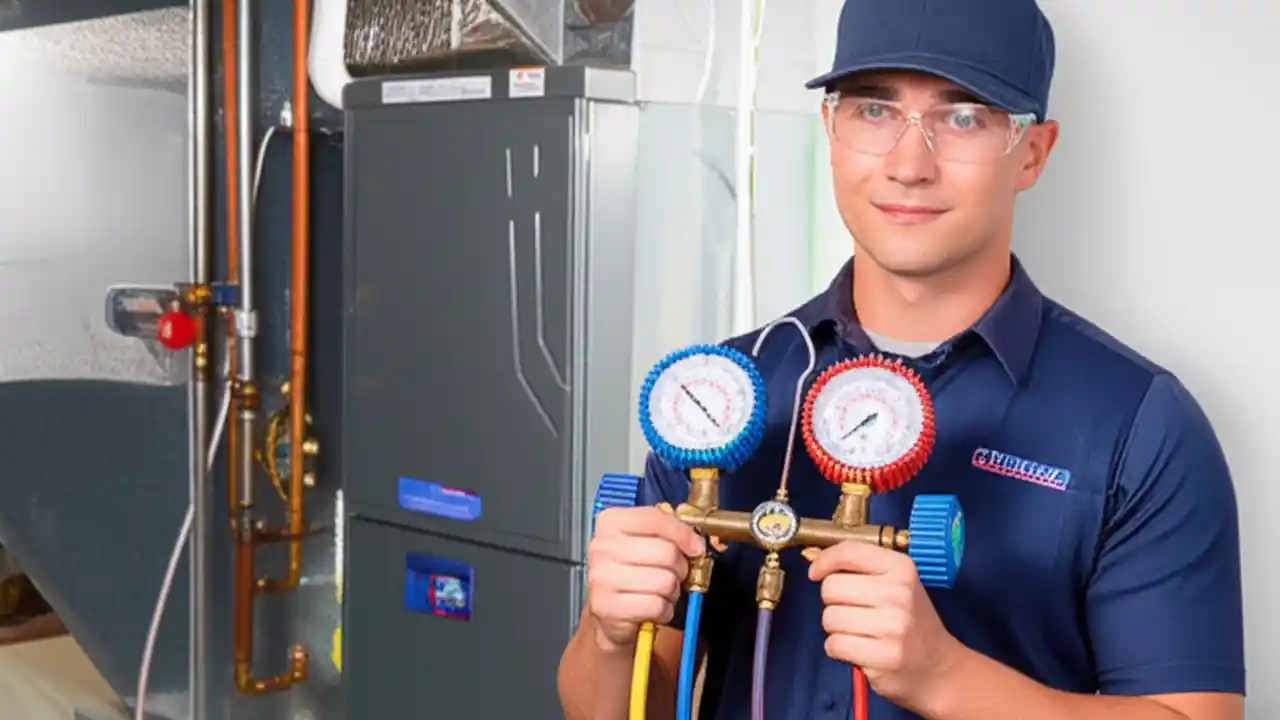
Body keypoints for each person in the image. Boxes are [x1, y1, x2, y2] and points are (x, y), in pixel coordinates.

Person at [557, 0, 1247, 718]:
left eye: (963, 117)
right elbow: (610, 708)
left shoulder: (1138, 424)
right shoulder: (721, 397)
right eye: (874, 112)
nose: (909, 166)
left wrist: (943, 676)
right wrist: (609, 636)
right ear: (830, 128)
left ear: (1034, 153)